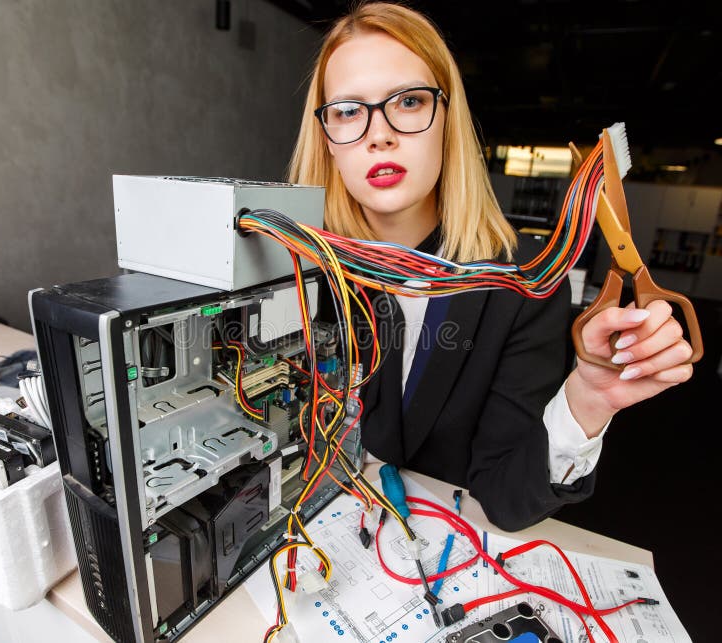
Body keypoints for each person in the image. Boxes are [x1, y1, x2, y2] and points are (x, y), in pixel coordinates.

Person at [286, 0, 695, 531]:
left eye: (408, 102)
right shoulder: (290, 269)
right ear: (327, 139)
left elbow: (505, 499)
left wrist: (586, 400)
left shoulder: (526, 282)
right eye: (347, 110)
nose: (378, 133)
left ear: (446, 121)